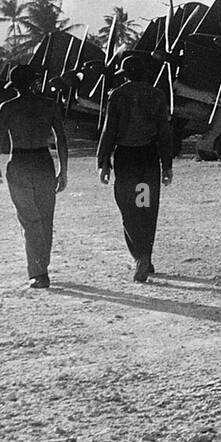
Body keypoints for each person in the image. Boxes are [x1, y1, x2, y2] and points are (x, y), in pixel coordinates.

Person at [0, 63, 68, 290]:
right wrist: (64, 170)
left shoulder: (7, 107)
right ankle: (42, 266)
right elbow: (61, 138)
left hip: (20, 162)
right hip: (44, 162)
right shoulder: (49, 105)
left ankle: (38, 272)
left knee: (29, 219)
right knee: (45, 218)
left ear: (14, 85)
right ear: (33, 82)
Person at [97, 53, 174, 282]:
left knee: (129, 208)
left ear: (126, 75)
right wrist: (167, 164)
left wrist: (103, 162)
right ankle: (145, 254)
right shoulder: (157, 95)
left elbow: (108, 130)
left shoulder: (117, 95)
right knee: (147, 206)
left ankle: (140, 255)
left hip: (126, 158)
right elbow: (164, 133)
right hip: (148, 158)